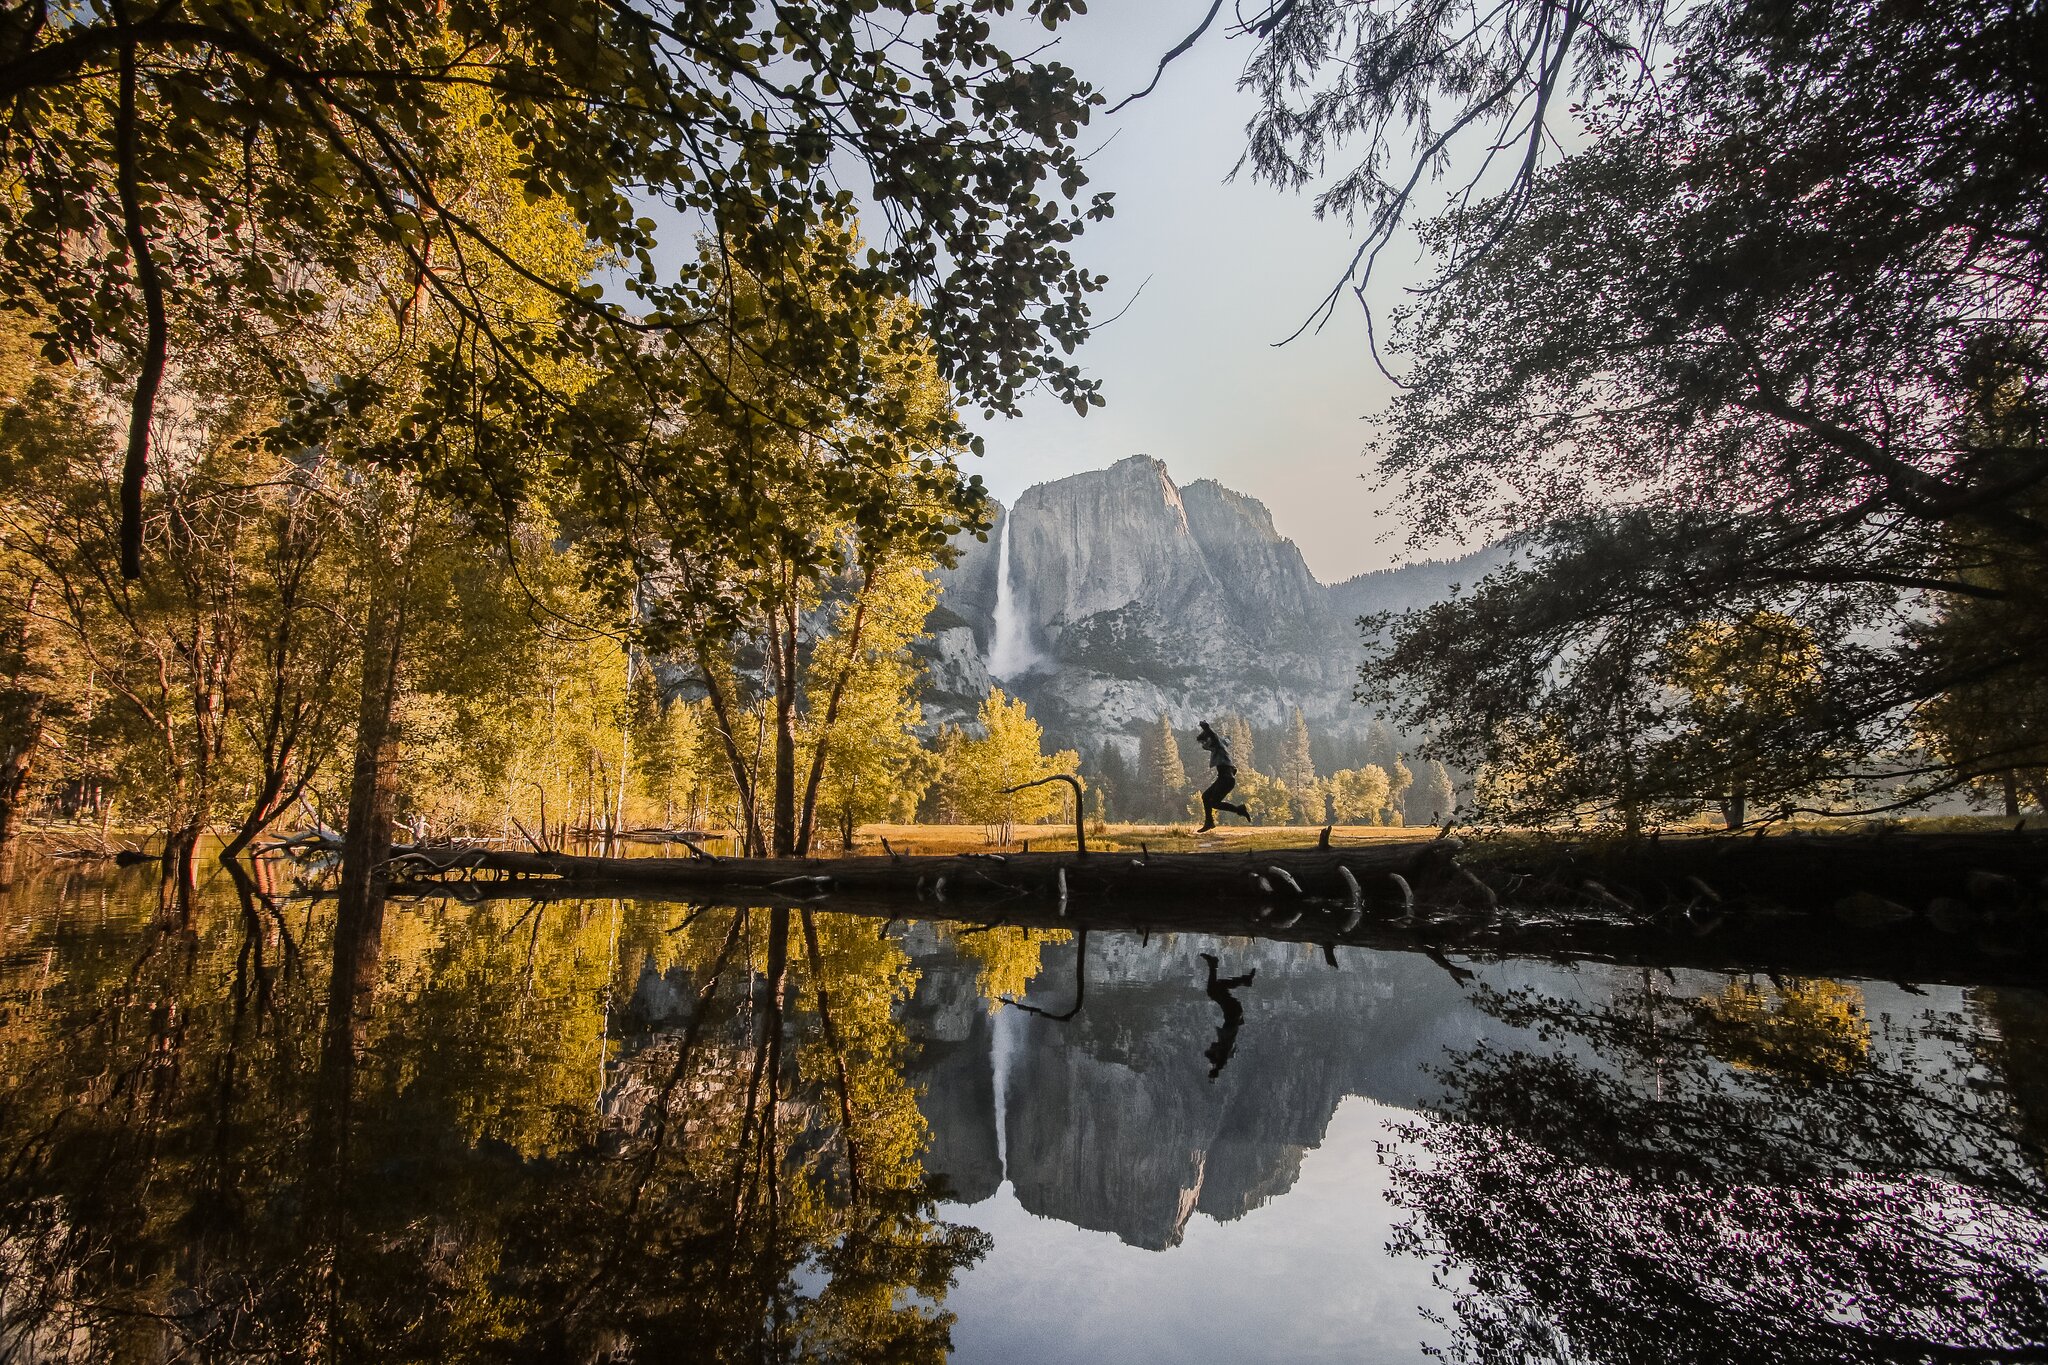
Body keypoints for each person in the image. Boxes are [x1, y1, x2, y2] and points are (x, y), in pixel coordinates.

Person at [1194, 720, 1251, 831]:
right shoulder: (1221, 745)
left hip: (1226, 779)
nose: (1204, 745)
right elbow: (1226, 740)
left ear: (1210, 740)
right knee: (1206, 797)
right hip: (1224, 778)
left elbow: (1214, 736)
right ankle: (1210, 822)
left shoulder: (1218, 744)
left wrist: (1206, 728)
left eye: (1204, 742)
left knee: (1214, 802)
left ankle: (1238, 810)